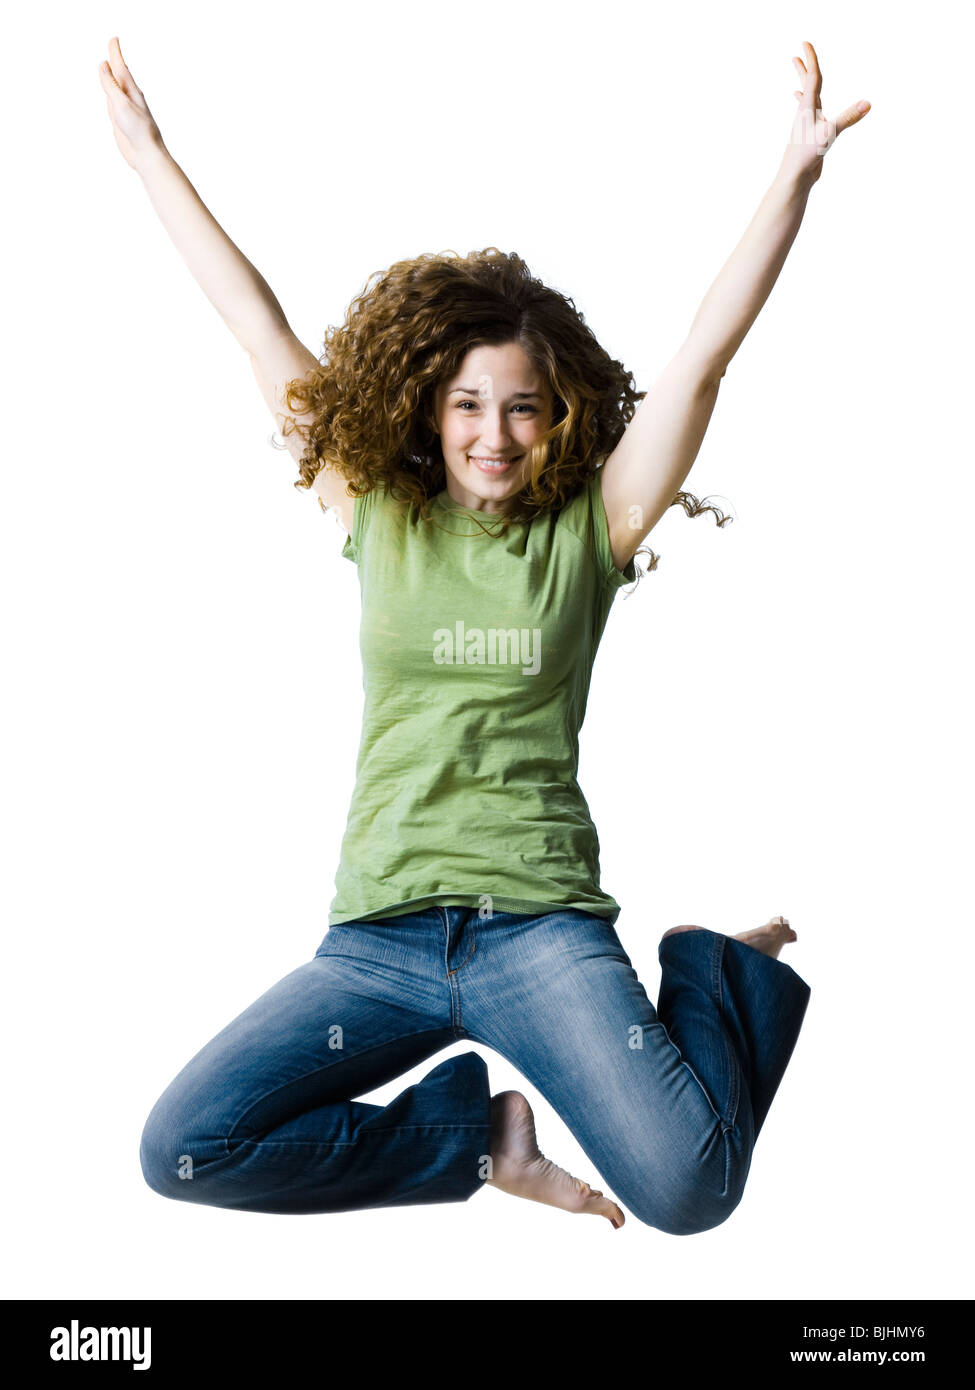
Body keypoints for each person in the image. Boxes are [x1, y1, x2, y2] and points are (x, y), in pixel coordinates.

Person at [99, 36, 868, 1234]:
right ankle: (472, 1137)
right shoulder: (375, 508)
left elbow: (702, 365)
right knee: (187, 1146)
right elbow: (258, 327)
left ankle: (712, 968)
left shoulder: (590, 530)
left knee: (688, 1186)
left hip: (540, 937)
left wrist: (795, 175)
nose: (494, 434)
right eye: (468, 405)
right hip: (380, 948)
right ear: (428, 407)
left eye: (521, 406)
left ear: (555, 413)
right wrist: (149, 157)